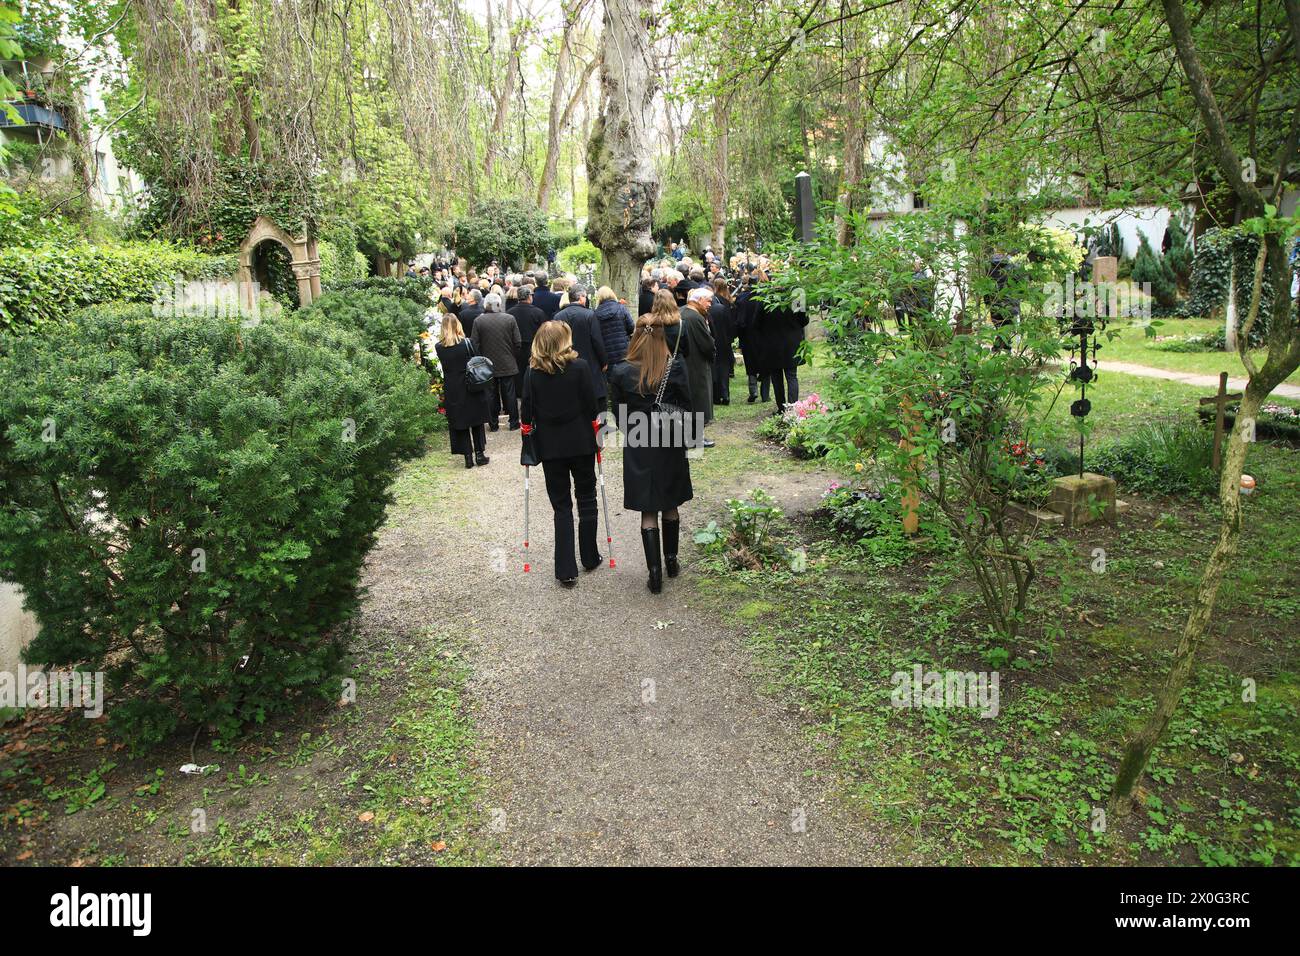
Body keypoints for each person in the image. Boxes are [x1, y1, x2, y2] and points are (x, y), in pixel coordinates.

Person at [608, 312, 694, 594]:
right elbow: (687, 405)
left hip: (639, 439)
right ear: (661, 335)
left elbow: (618, 412)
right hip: (669, 437)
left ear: (635, 335)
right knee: (670, 503)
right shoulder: (675, 366)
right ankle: (671, 560)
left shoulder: (621, 370)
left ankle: (654, 572)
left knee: (648, 507)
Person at [521, 321, 601, 587]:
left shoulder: (532, 373)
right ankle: (589, 556)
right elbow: (592, 406)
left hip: (550, 446)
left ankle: (566, 568)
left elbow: (526, 413)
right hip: (580, 442)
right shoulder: (579, 367)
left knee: (562, 506)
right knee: (587, 497)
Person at [435, 315, 491, 468]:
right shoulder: (468, 343)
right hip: (470, 384)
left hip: (453, 387)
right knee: (476, 420)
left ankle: (467, 457)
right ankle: (480, 453)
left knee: (460, 421)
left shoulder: (439, 347)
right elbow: (476, 360)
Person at [748, 270, 808, 412]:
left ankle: (781, 408)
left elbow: (755, 323)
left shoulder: (764, 299)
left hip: (771, 344)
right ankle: (792, 409)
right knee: (792, 376)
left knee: (777, 378)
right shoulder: (795, 297)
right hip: (791, 343)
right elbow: (803, 320)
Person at [471, 292, 522, 431]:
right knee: (510, 393)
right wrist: (512, 356)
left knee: (491, 394)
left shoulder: (478, 321)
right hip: (507, 361)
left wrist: (481, 359)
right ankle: (513, 422)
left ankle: (493, 424)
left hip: (487, 364)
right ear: (499, 304)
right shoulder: (509, 319)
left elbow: (474, 344)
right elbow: (518, 342)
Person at [554, 285, 610, 411]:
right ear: (581, 298)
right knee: (596, 399)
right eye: (585, 296)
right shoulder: (589, 315)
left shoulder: (558, 316)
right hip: (591, 362)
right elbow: (597, 340)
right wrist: (604, 361)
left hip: (566, 362)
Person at [679, 286, 717, 446]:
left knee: (691, 401)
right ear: (699, 300)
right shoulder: (695, 317)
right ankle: (697, 438)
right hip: (697, 364)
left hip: (685, 362)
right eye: (708, 301)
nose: (710, 304)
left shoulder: (682, 312)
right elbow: (707, 344)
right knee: (699, 399)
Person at [509, 285, 546, 419]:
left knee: (518, 376)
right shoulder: (538, 312)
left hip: (516, 349)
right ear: (529, 297)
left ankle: (521, 400)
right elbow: (544, 333)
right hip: (534, 348)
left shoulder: (510, 312)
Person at [708, 277, 736, 406]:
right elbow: (731, 325)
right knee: (723, 368)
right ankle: (725, 394)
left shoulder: (711, 309)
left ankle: (716, 396)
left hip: (713, 341)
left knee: (714, 368)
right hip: (724, 341)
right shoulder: (726, 303)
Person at [594, 285, 636, 366]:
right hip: (624, 349)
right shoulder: (621, 308)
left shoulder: (595, 314)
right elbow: (631, 327)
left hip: (607, 352)